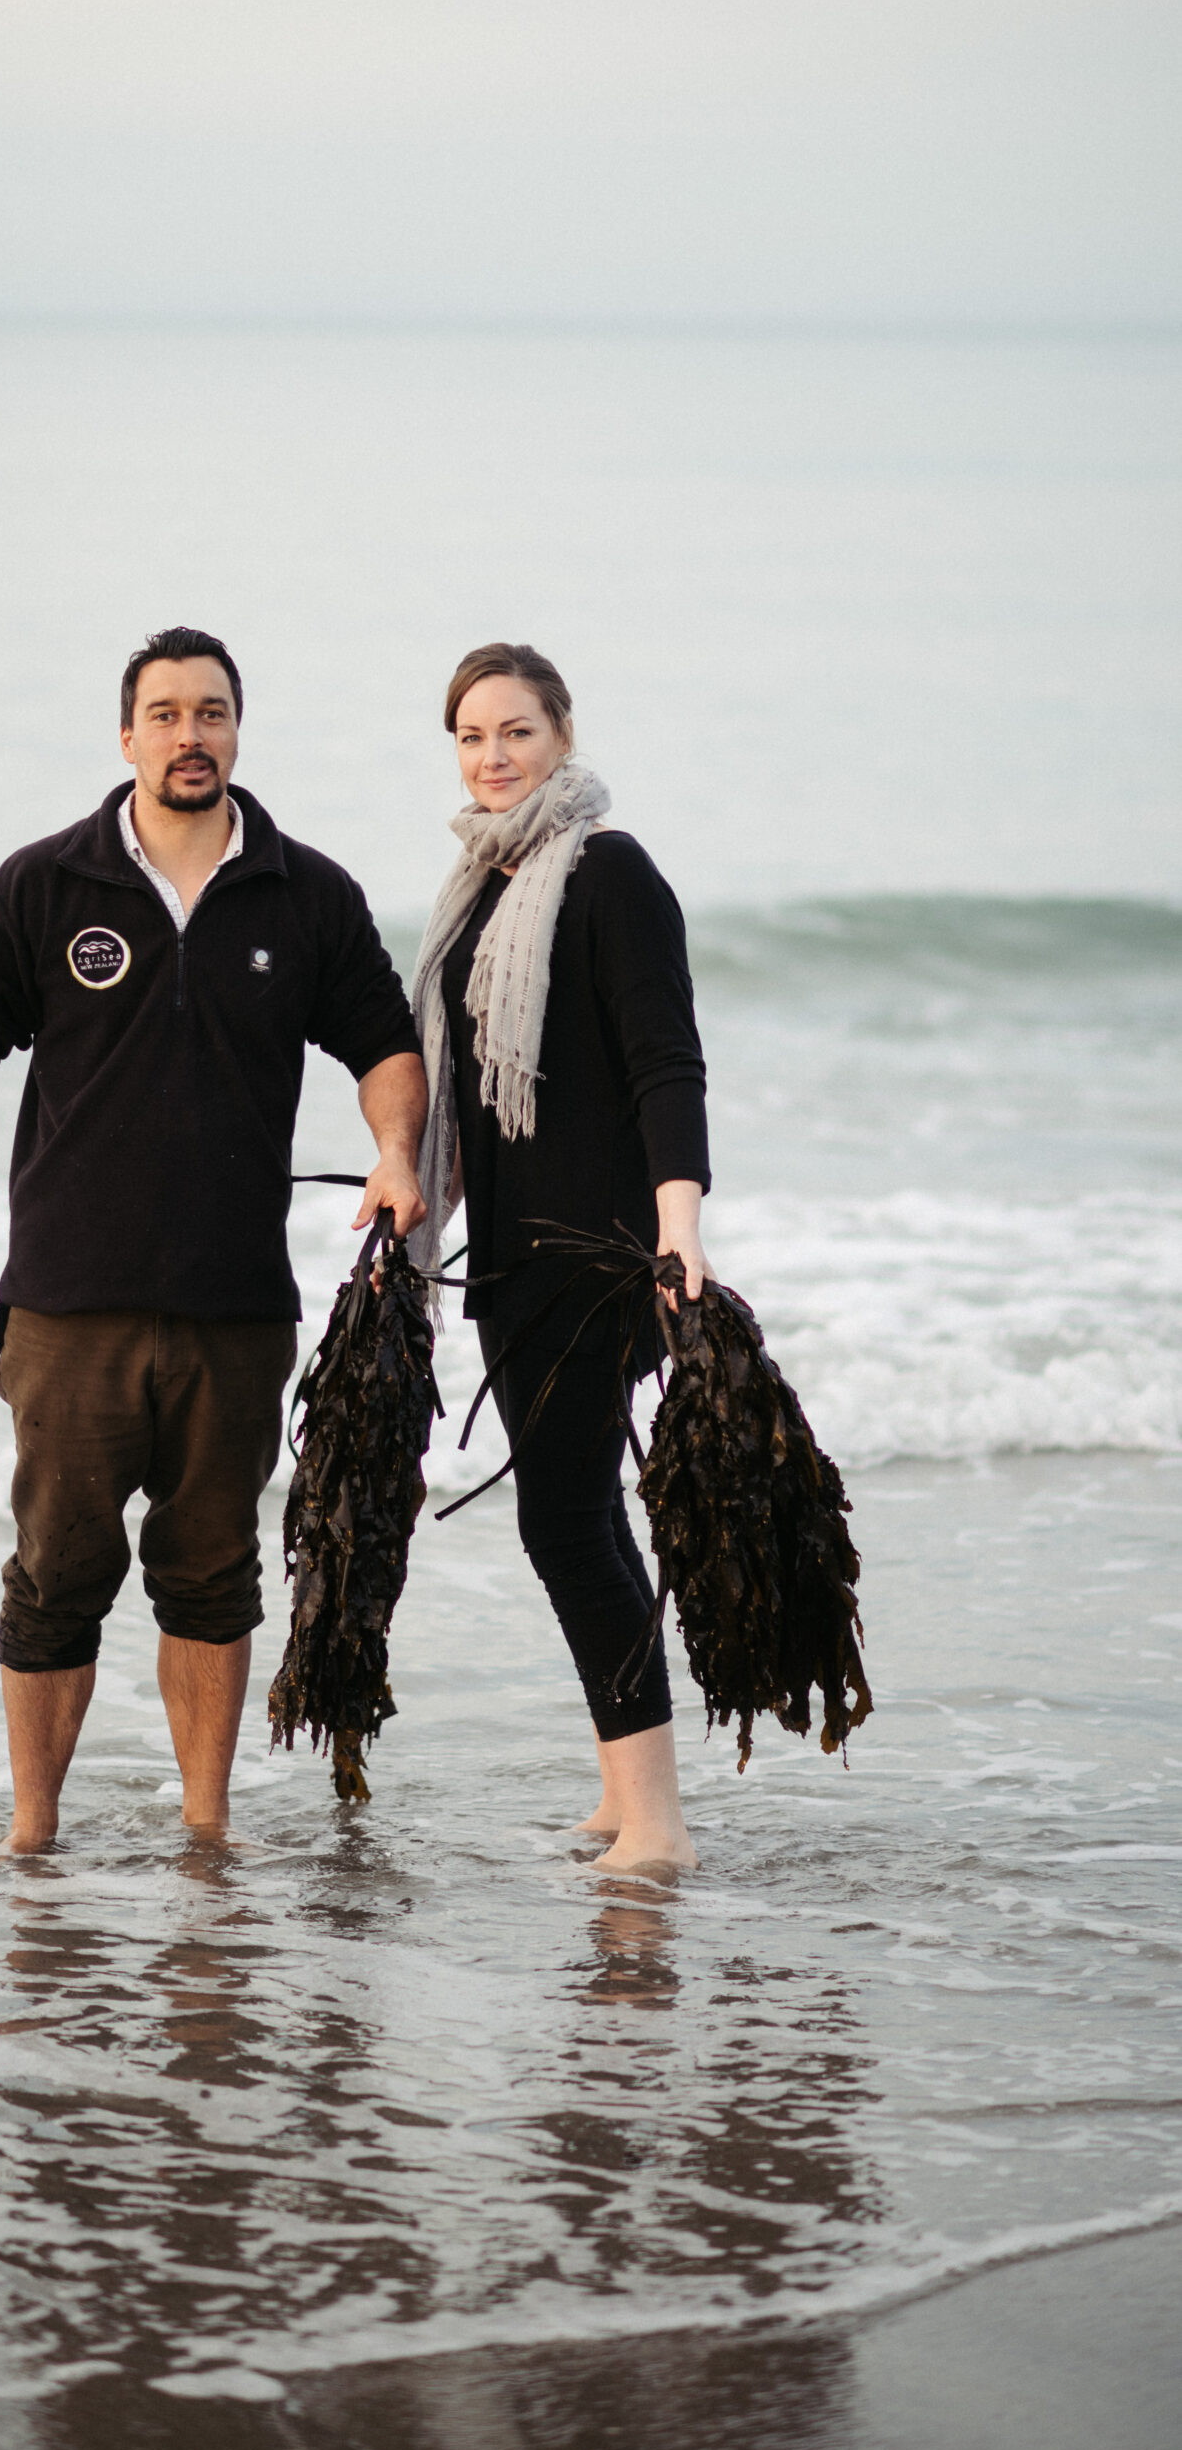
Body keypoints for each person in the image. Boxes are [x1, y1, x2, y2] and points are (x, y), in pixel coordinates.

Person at [0, 627, 427, 1851]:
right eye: (168, 713)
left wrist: (396, 1152)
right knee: (55, 1579)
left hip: (236, 1306)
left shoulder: (308, 893)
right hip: (69, 1305)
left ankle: (206, 1835)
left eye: (214, 712)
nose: (193, 735)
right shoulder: (45, 886)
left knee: (212, 1575)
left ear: (238, 730)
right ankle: (33, 1833)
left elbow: (384, 1043)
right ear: (125, 735)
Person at [409, 642, 709, 1874]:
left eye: (515, 732)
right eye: (472, 736)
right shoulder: (479, 888)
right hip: (510, 1263)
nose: (491, 756)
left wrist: (678, 1226)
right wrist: (410, 1208)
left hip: (598, 1256)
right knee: (574, 1514)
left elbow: (663, 1061)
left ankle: (657, 1826)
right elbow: (467, 1103)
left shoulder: (608, 872)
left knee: (567, 1523)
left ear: (563, 736)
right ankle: (617, 1793)